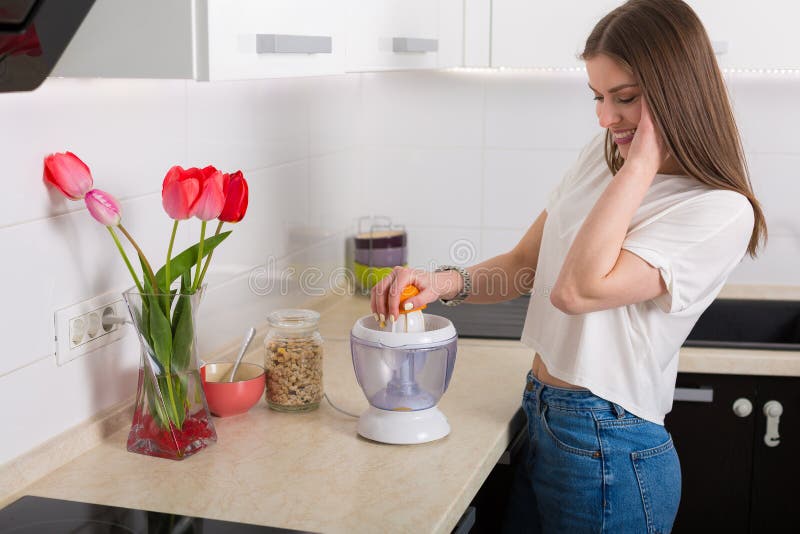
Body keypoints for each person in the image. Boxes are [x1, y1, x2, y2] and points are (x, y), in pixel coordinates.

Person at [370, 0, 768, 532]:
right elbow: (525, 264)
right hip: (543, 415)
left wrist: (644, 162)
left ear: (677, 94)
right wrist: (441, 282)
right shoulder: (600, 157)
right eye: (598, 97)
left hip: (611, 445)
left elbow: (577, 291)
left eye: (624, 98)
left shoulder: (716, 209)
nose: (606, 117)